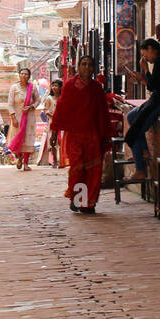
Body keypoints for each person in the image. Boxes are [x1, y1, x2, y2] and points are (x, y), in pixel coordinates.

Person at [51, 54, 111, 214]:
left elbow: (102, 112)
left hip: (93, 135)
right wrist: (54, 131)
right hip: (75, 135)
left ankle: (88, 204)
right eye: (83, 64)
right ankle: (77, 199)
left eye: (90, 65)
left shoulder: (97, 88)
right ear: (78, 66)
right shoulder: (70, 86)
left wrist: (105, 134)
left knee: (93, 170)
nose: (86, 67)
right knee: (78, 169)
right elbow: (61, 109)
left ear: (93, 68)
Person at [123, 38, 160, 182]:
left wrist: (145, 71)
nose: (146, 59)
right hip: (156, 99)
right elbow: (153, 85)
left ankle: (140, 170)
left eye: (145, 54)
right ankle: (142, 150)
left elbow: (153, 85)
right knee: (131, 116)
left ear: (150, 48)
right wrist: (144, 77)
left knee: (136, 130)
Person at [7, 66, 38, 170]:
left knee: (28, 139)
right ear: (19, 75)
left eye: (26, 74)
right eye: (22, 74)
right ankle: (19, 158)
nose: (24, 75)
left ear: (29, 76)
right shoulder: (14, 88)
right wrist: (13, 117)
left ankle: (26, 163)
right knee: (18, 138)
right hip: (18, 117)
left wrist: (31, 106)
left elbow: (38, 100)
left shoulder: (32, 87)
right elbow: (10, 104)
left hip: (29, 117)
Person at [38, 79, 64, 167]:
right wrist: (50, 115)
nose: (54, 88)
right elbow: (45, 110)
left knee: (61, 141)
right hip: (52, 122)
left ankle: (62, 160)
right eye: (53, 86)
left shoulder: (63, 98)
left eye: (56, 86)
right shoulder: (49, 98)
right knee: (53, 141)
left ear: (60, 87)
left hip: (62, 122)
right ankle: (55, 160)